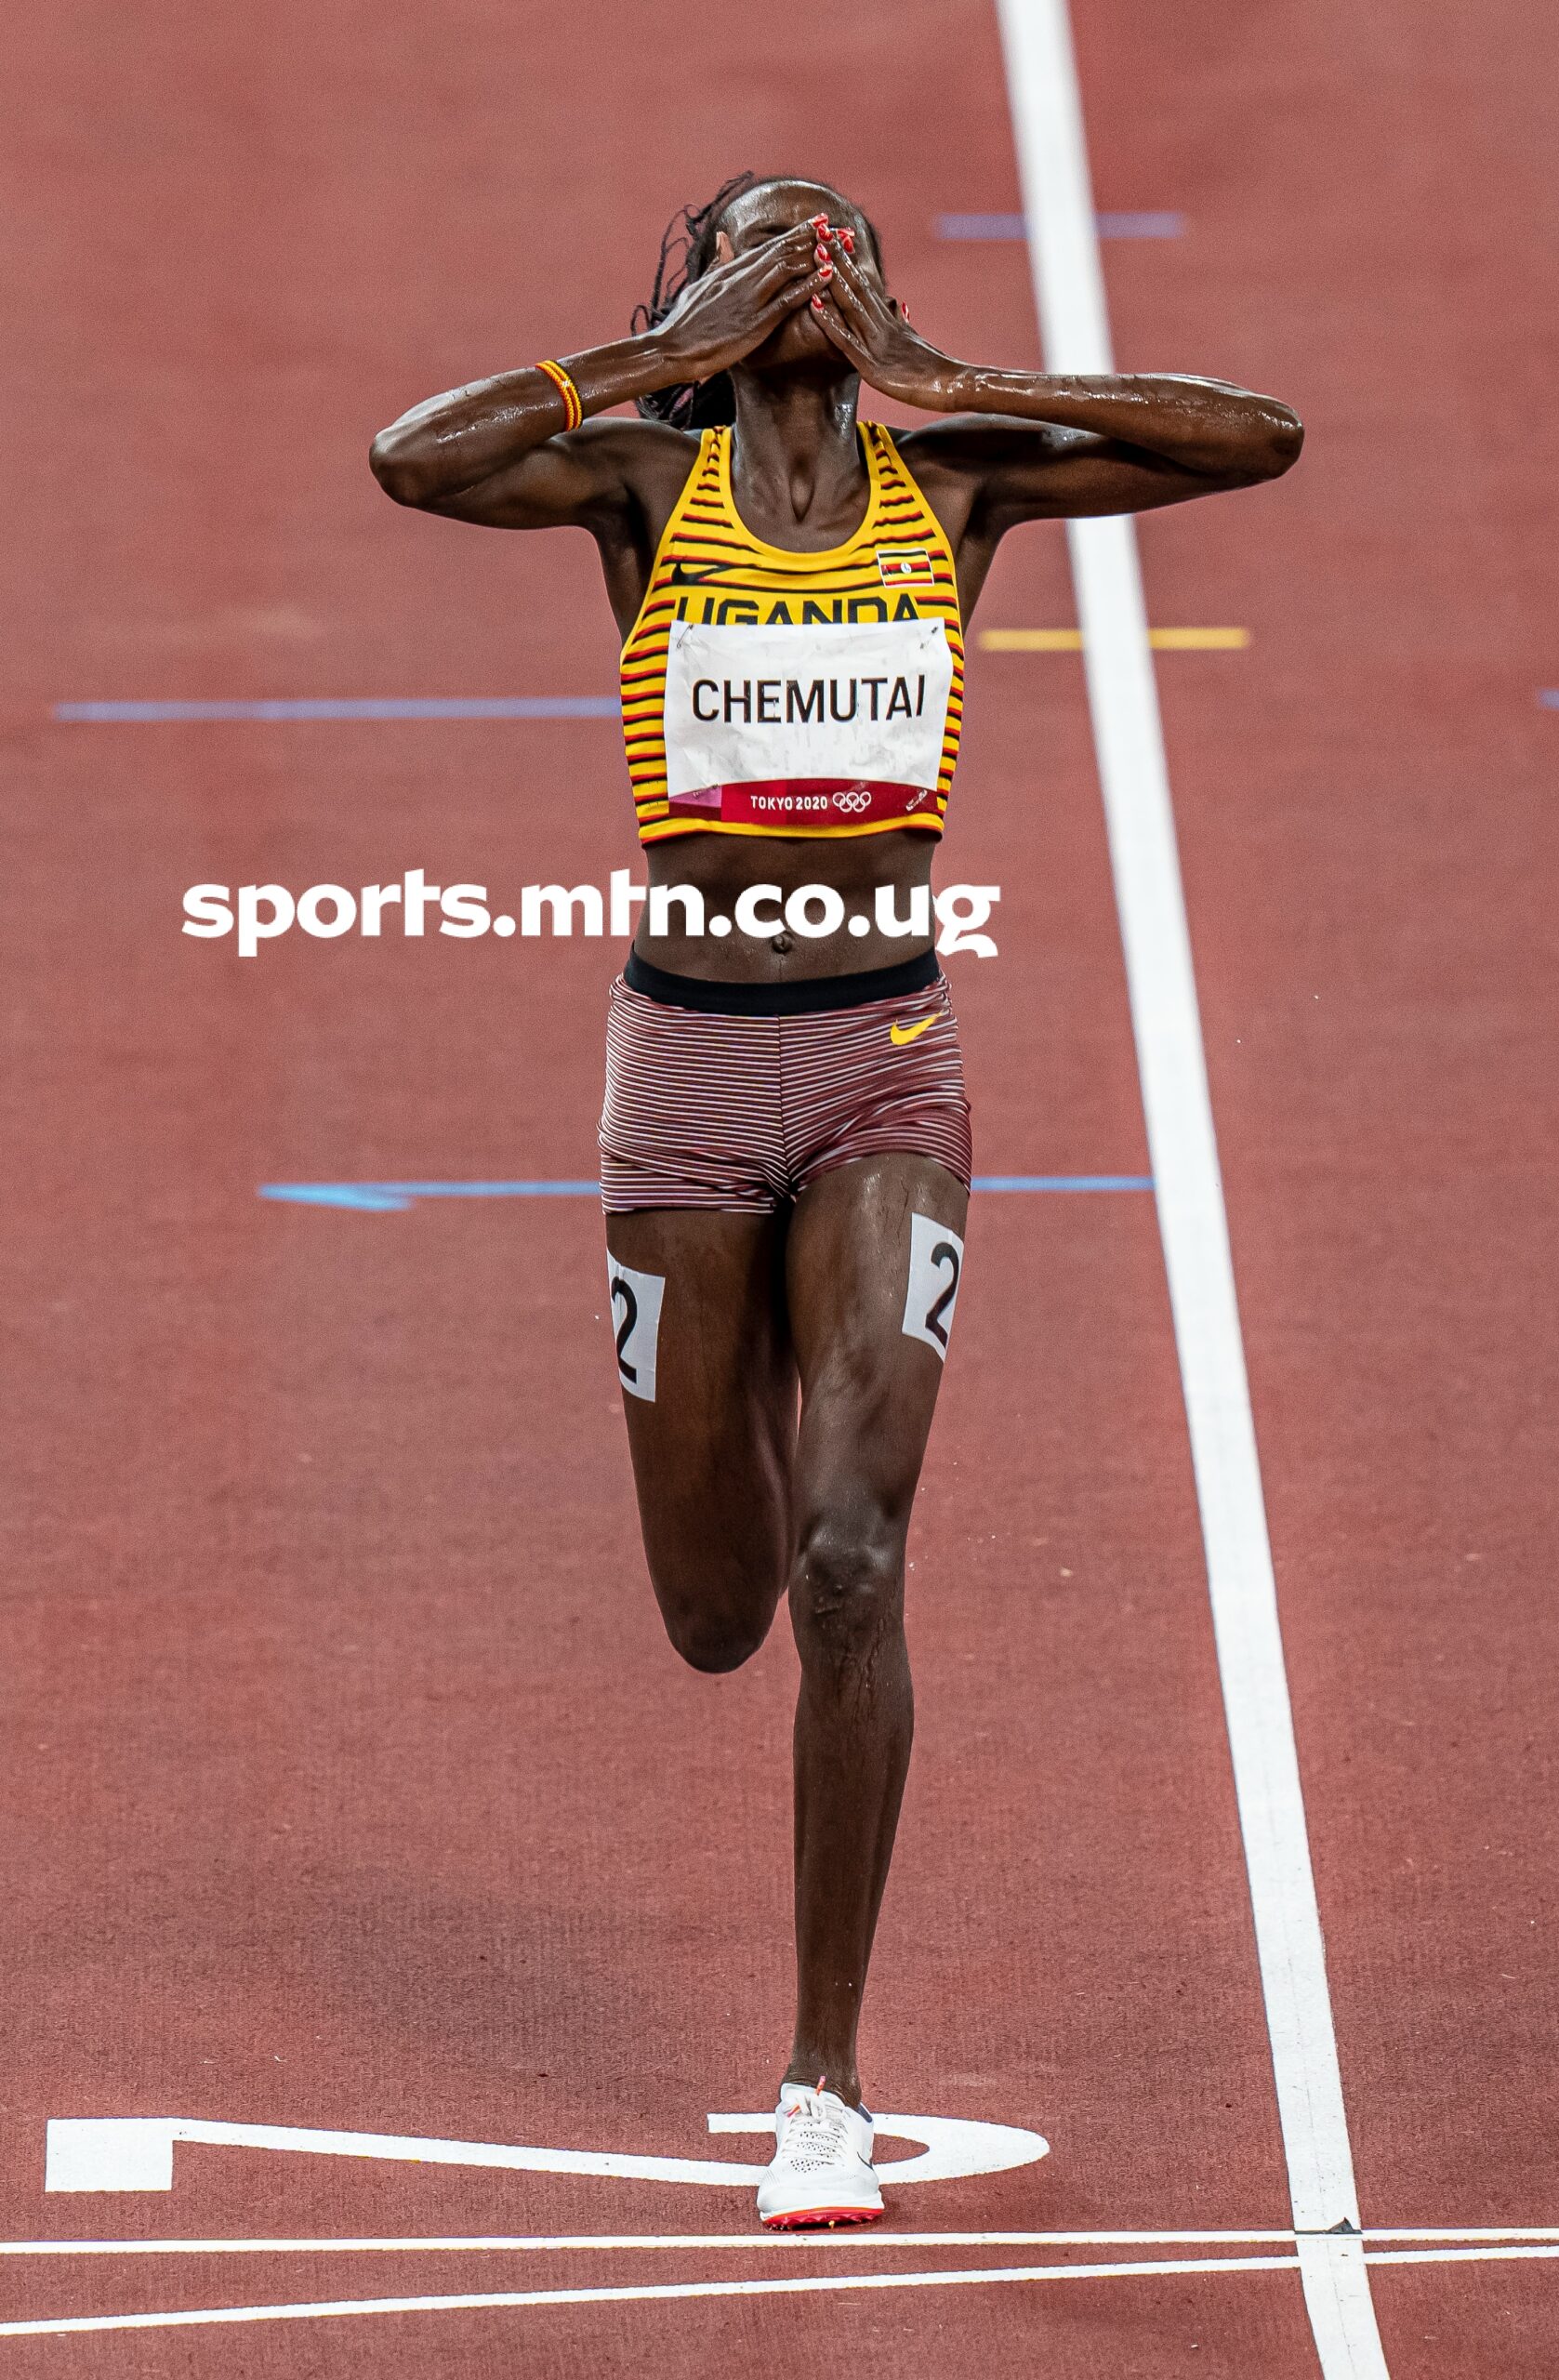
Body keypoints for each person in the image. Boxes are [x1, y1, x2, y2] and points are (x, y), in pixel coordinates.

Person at [370, 170, 1301, 2227]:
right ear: (692, 290)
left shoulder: (950, 485)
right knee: (719, 1608)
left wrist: (944, 375)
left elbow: (1258, 434)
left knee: (852, 1565)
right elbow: (410, 458)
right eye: (761, 238)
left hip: (886, 1055)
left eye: (844, 236)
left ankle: (822, 2081)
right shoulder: (631, 478)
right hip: (686, 1065)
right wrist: (662, 353)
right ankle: (765, 1371)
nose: (812, 260)